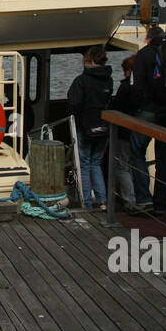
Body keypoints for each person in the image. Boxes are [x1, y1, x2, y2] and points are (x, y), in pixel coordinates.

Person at [129, 24, 166, 215]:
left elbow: (137, 87)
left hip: (148, 111)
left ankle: (144, 199)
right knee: (163, 158)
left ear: (148, 38)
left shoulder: (144, 55)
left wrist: (136, 108)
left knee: (137, 152)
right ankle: (161, 204)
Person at [67, 46, 113, 209]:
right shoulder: (109, 79)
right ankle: (102, 200)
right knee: (95, 163)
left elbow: (74, 103)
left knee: (85, 164)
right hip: (104, 127)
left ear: (89, 61)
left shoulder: (81, 80)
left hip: (85, 127)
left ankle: (86, 201)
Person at [106, 56, 138, 211]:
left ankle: (129, 200)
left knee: (121, 166)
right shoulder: (140, 88)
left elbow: (118, 107)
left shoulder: (126, 88)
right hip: (136, 132)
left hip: (124, 132)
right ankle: (137, 196)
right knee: (133, 163)